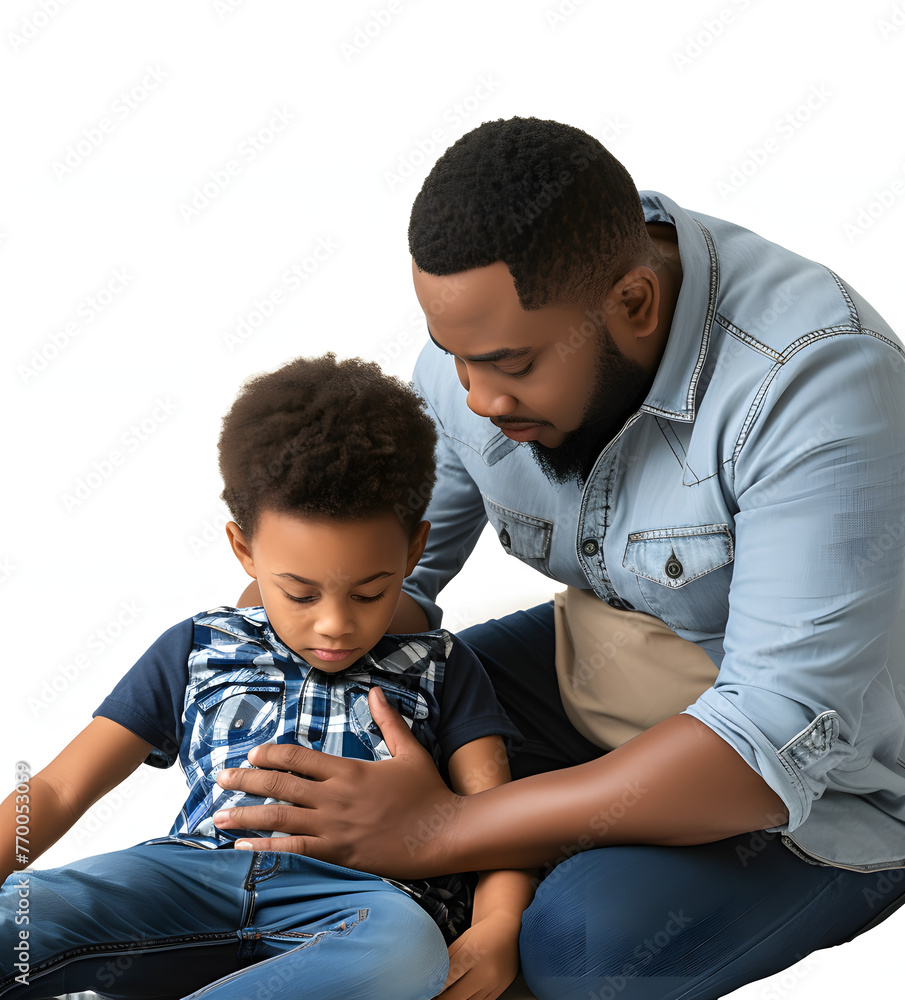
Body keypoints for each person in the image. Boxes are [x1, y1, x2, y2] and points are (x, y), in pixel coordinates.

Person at [215, 118, 905, 1000]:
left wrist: (442, 830)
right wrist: (285, 644)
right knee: (289, 774)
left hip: (831, 793)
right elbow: (397, 580)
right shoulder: (486, 342)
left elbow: (767, 741)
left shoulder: (820, 380)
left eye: (512, 365)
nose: (477, 398)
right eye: (454, 358)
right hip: (600, 678)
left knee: (581, 945)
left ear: (636, 305)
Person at [0, 354, 531, 1000]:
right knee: (24, 907)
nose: (334, 625)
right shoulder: (197, 646)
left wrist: (499, 926)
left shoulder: (444, 666)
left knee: (409, 950)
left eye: (369, 593)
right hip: (193, 881)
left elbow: (498, 821)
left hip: (357, 908)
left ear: (413, 550)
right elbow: (57, 789)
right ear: (244, 550)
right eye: (300, 594)